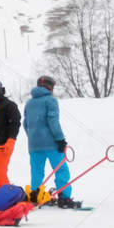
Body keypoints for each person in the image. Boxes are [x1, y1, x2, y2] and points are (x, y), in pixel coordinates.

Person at [23, 75, 78, 206]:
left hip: (34, 145)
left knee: (36, 172)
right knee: (61, 170)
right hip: (51, 144)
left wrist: (33, 137)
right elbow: (53, 121)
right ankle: (64, 197)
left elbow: (25, 124)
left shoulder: (29, 103)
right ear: (50, 87)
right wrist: (60, 139)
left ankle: (36, 195)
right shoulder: (50, 101)